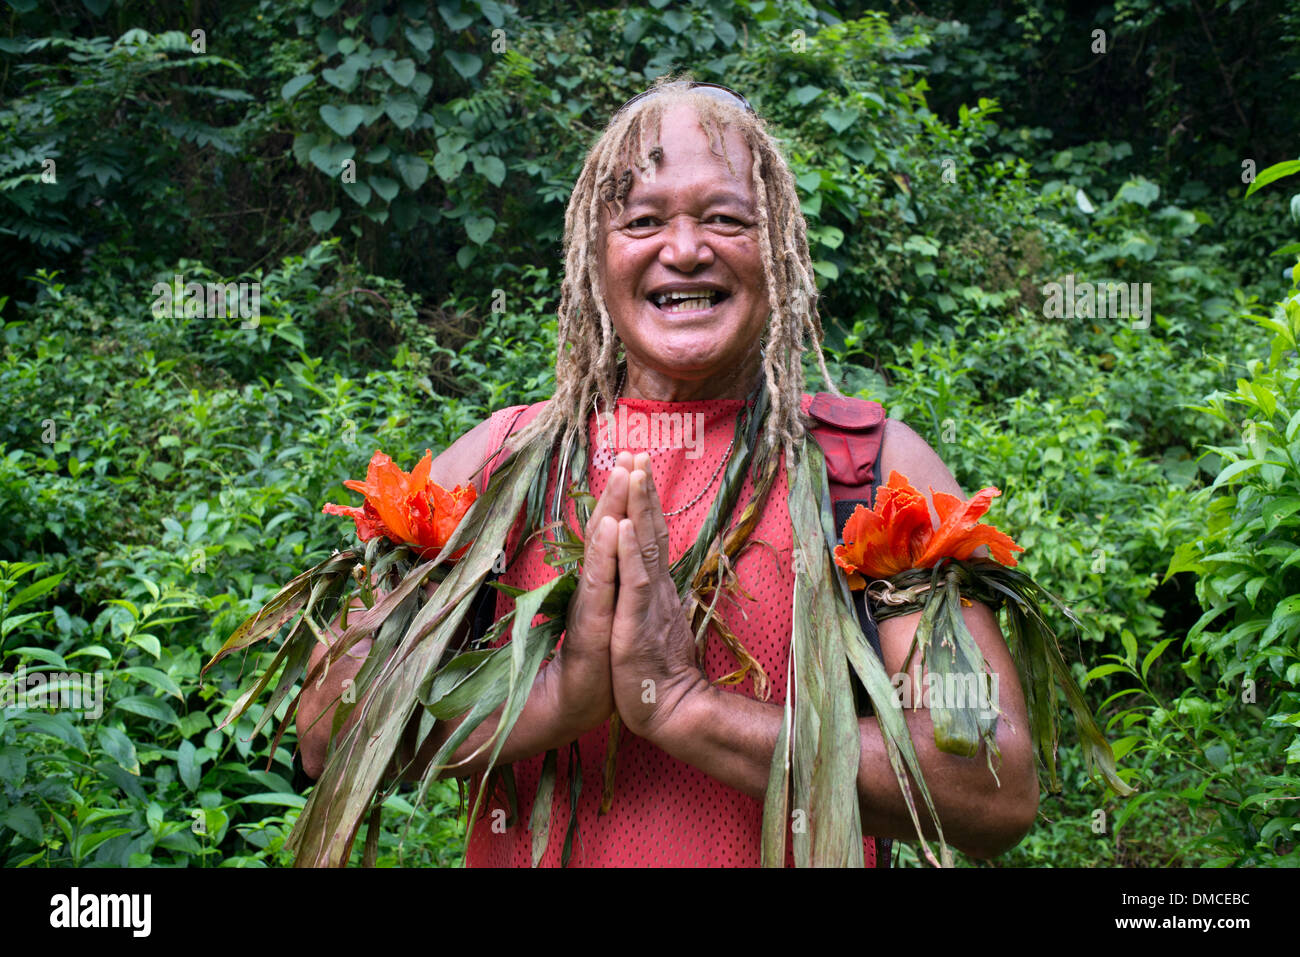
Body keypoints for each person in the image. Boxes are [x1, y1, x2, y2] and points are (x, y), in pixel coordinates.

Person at [298, 77, 1039, 866]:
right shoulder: (498, 466)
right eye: (644, 220)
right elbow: (327, 729)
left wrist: (686, 707)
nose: (684, 249)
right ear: (595, 253)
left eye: (726, 218)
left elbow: (992, 783)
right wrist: (563, 693)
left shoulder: (874, 472)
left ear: (780, 246)